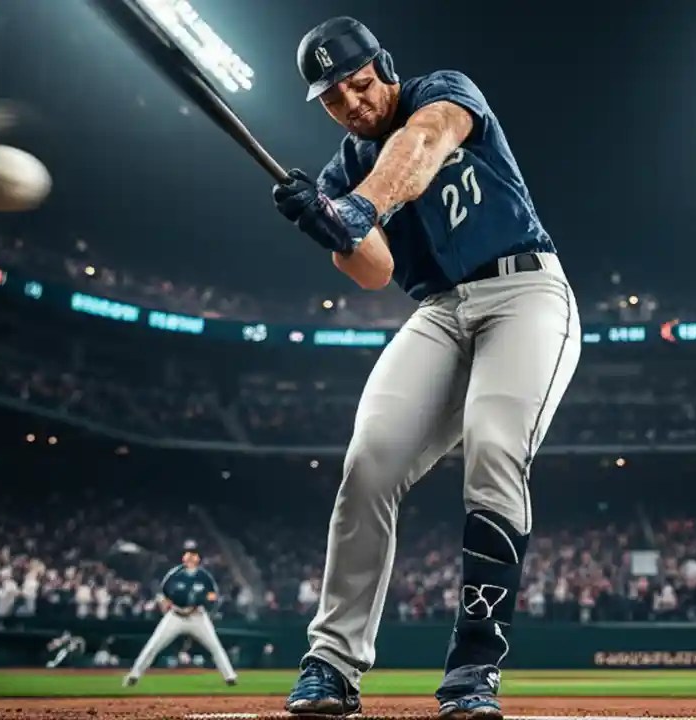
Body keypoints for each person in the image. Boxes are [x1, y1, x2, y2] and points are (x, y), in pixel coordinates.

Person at [272, 16, 581, 720]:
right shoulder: (341, 172)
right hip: (440, 310)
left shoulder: (439, 93)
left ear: (383, 65)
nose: (352, 103)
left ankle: (474, 669)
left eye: (358, 83)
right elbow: (375, 270)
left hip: (525, 290)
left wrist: (353, 208)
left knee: (496, 448)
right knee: (369, 463)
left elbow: (423, 145)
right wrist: (324, 224)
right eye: (333, 98)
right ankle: (331, 664)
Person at [122, 541, 237, 687]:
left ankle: (230, 677)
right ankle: (134, 675)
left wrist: (203, 605)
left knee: (215, 647)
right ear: (183, 557)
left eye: (193, 554)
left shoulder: (204, 577)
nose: (190, 556)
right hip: (176, 615)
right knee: (153, 645)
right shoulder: (174, 574)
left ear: (198, 558)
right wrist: (165, 603)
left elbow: (213, 597)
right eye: (188, 553)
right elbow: (162, 594)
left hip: (197, 617)